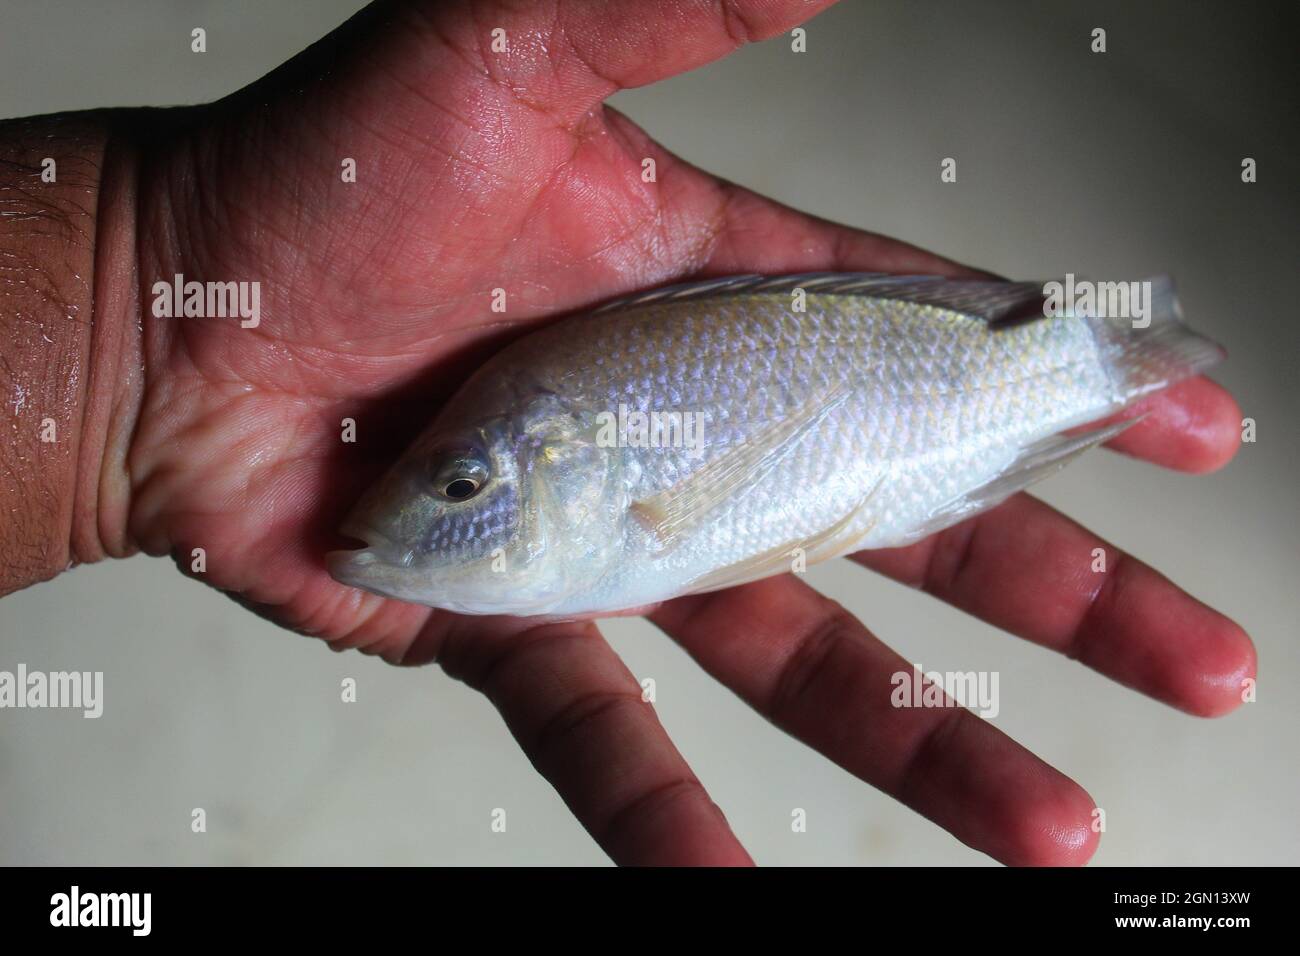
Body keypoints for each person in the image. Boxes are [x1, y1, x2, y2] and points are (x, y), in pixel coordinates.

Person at [0, 0, 1254, 866]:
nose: (423, 499)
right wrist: (125, 324)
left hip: (944, 382)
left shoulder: (591, 487)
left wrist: (128, 333)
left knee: (1096, 367)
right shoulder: (538, 467)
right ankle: (1127, 346)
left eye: (461, 479)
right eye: (457, 480)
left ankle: (1120, 343)